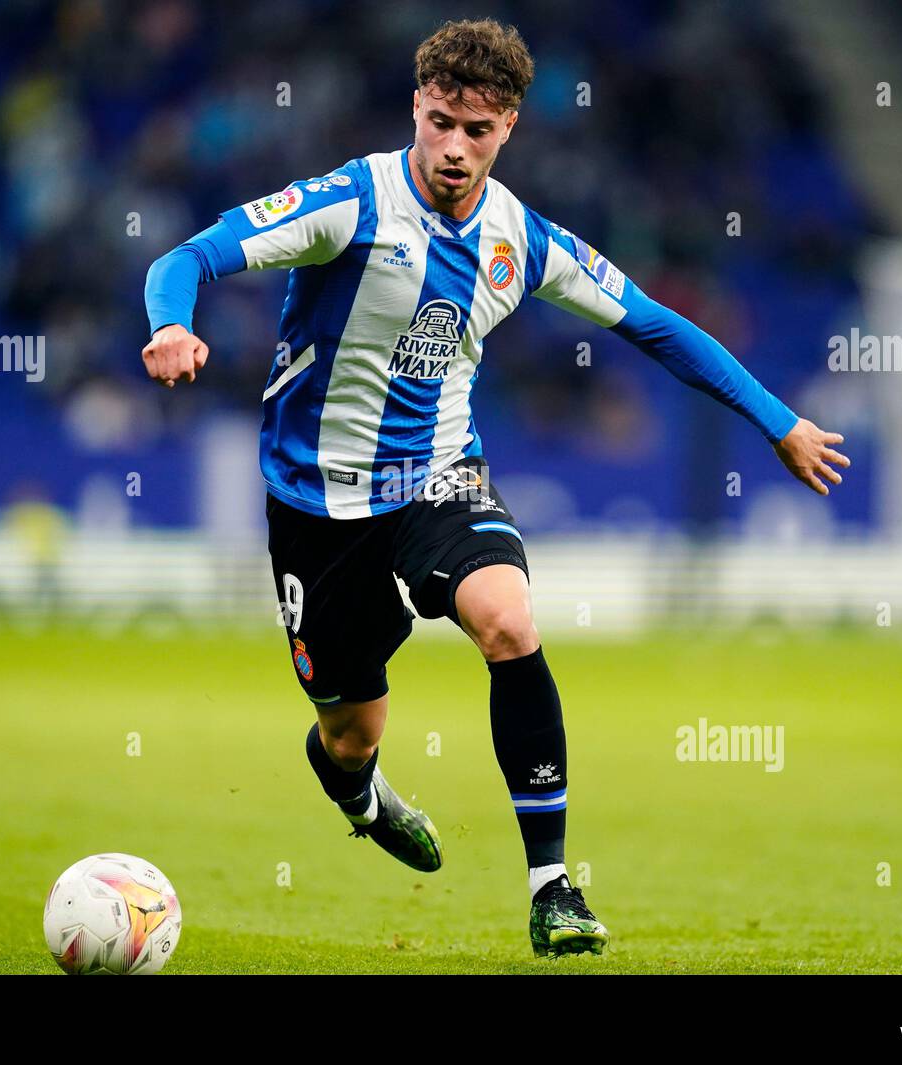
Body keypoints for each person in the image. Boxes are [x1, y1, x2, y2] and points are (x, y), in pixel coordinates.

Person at [142, 17, 849, 958]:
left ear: (509, 126)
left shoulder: (523, 238)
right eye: (441, 122)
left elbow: (656, 324)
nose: (454, 148)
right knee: (350, 733)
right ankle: (362, 790)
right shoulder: (349, 203)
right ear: (417, 109)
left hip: (440, 476)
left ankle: (553, 885)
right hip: (317, 504)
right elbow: (182, 257)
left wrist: (781, 422)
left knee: (510, 622)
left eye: (477, 131)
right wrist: (171, 326)